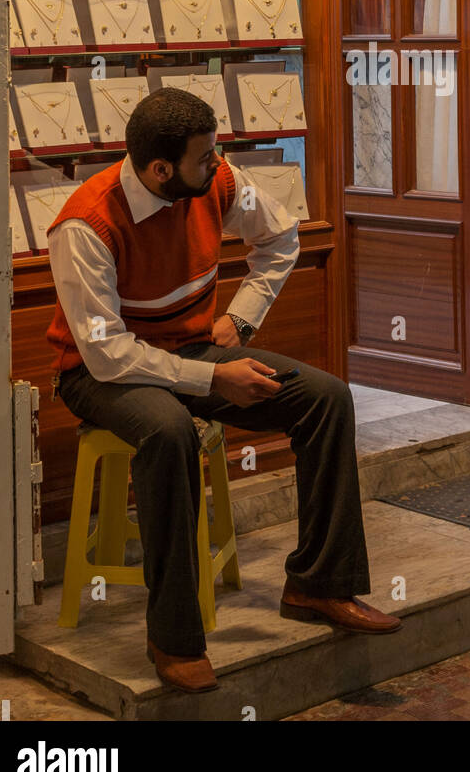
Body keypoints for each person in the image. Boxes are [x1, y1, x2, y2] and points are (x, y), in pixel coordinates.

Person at [47, 87, 400, 694]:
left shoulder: (216, 182)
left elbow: (282, 236)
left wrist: (240, 319)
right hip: (99, 373)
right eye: (204, 158)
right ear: (161, 170)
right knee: (167, 430)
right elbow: (106, 354)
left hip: (192, 348)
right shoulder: (86, 224)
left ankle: (318, 582)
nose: (218, 166)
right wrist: (214, 378)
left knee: (326, 398)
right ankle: (174, 639)